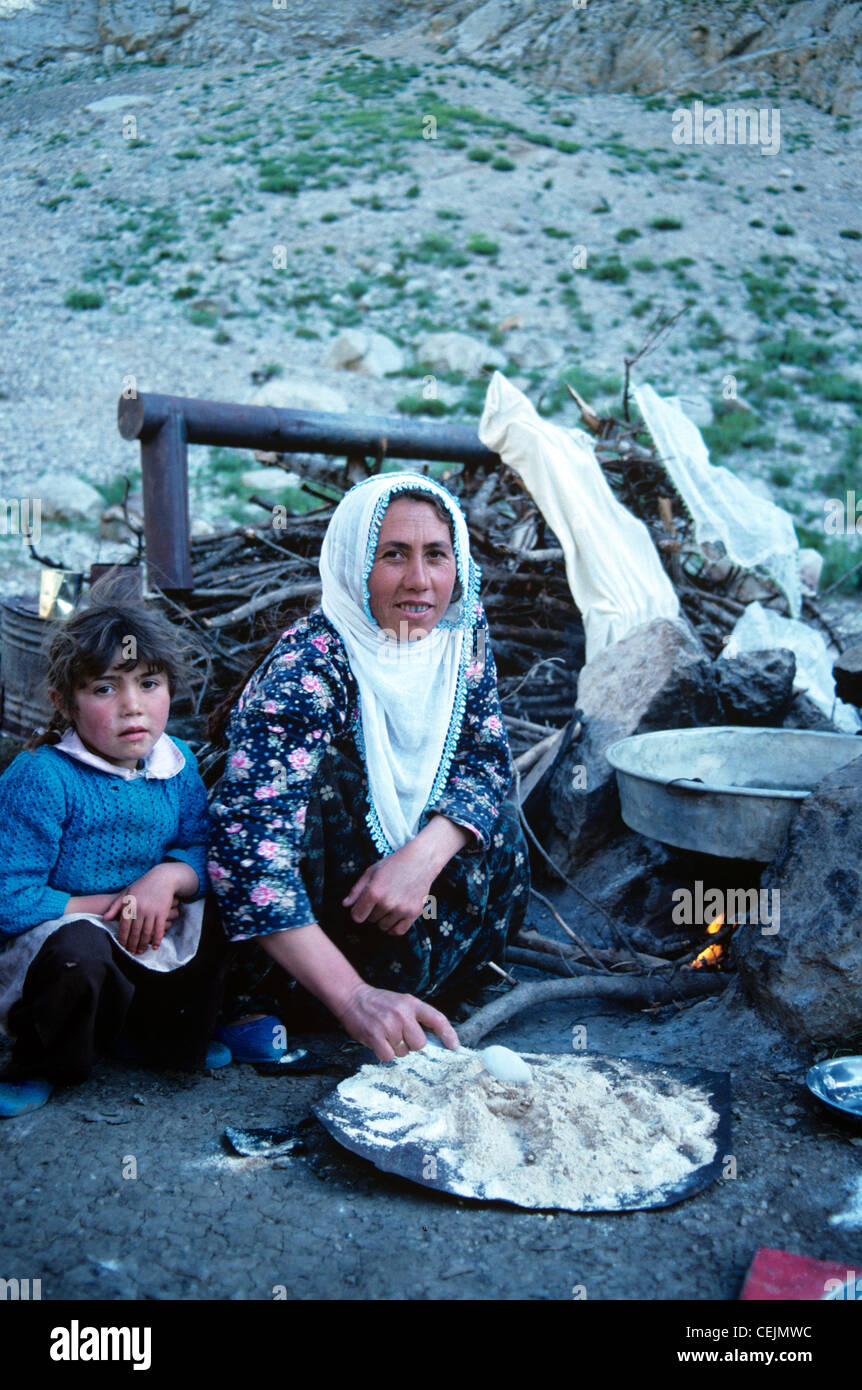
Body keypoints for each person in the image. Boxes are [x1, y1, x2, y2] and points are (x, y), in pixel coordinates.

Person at [208, 472, 530, 1063]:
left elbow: (486, 762)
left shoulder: (461, 635)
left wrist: (421, 858)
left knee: (499, 827)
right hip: (318, 926)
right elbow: (246, 859)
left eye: (437, 554)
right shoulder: (309, 671)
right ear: (355, 564)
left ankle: (420, 987)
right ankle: (313, 1001)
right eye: (393, 556)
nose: (420, 581)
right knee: (322, 785)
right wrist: (354, 996)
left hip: (403, 901)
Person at [0, 592, 229, 1118]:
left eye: (148, 684)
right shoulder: (43, 777)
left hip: (142, 921)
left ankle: (158, 1038)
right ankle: (39, 1062)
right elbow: (9, 898)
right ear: (64, 702)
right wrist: (111, 903)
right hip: (60, 931)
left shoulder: (176, 763)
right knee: (79, 953)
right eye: (105, 688)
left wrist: (169, 878)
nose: (133, 706)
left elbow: (198, 847)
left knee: (218, 907)